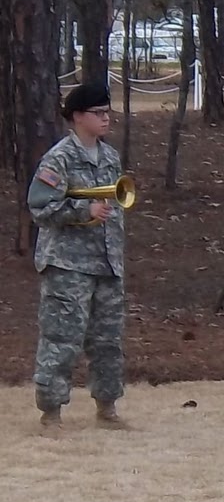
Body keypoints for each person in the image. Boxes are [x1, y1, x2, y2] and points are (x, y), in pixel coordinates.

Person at [29, 82, 129, 432]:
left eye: (107, 112)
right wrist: (82, 210)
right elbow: (40, 207)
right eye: (98, 113)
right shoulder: (59, 158)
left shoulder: (110, 157)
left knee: (107, 341)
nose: (106, 119)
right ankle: (51, 412)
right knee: (61, 339)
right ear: (76, 117)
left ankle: (107, 407)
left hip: (106, 262)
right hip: (67, 264)